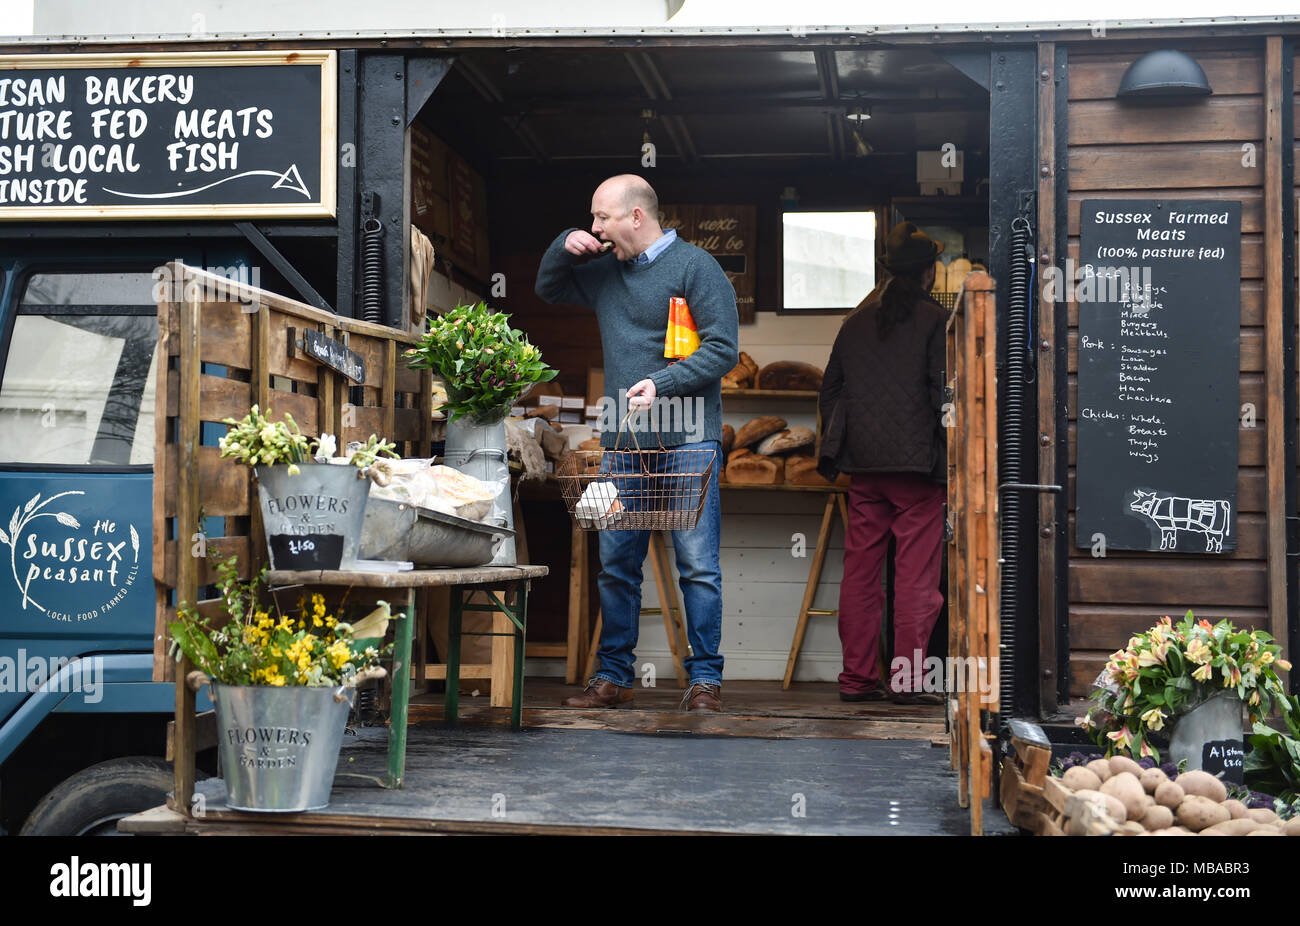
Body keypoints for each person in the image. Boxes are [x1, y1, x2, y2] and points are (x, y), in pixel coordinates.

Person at [535, 174, 739, 712]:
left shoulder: (697, 267)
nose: (596, 227)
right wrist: (563, 245)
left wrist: (664, 382)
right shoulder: (605, 273)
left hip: (690, 439)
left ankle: (705, 682)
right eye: (592, 219)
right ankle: (615, 675)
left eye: (602, 217)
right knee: (616, 563)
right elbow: (548, 289)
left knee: (696, 566)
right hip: (625, 445)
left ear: (636, 218)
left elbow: (723, 350)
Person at [817, 222, 948, 705]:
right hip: (919, 474)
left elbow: (829, 391)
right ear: (930, 273)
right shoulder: (937, 321)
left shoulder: (855, 322)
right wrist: (946, 448)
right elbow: (943, 396)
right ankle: (907, 681)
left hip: (865, 470)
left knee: (861, 574)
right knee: (916, 580)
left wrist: (849, 443)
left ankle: (855, 680)